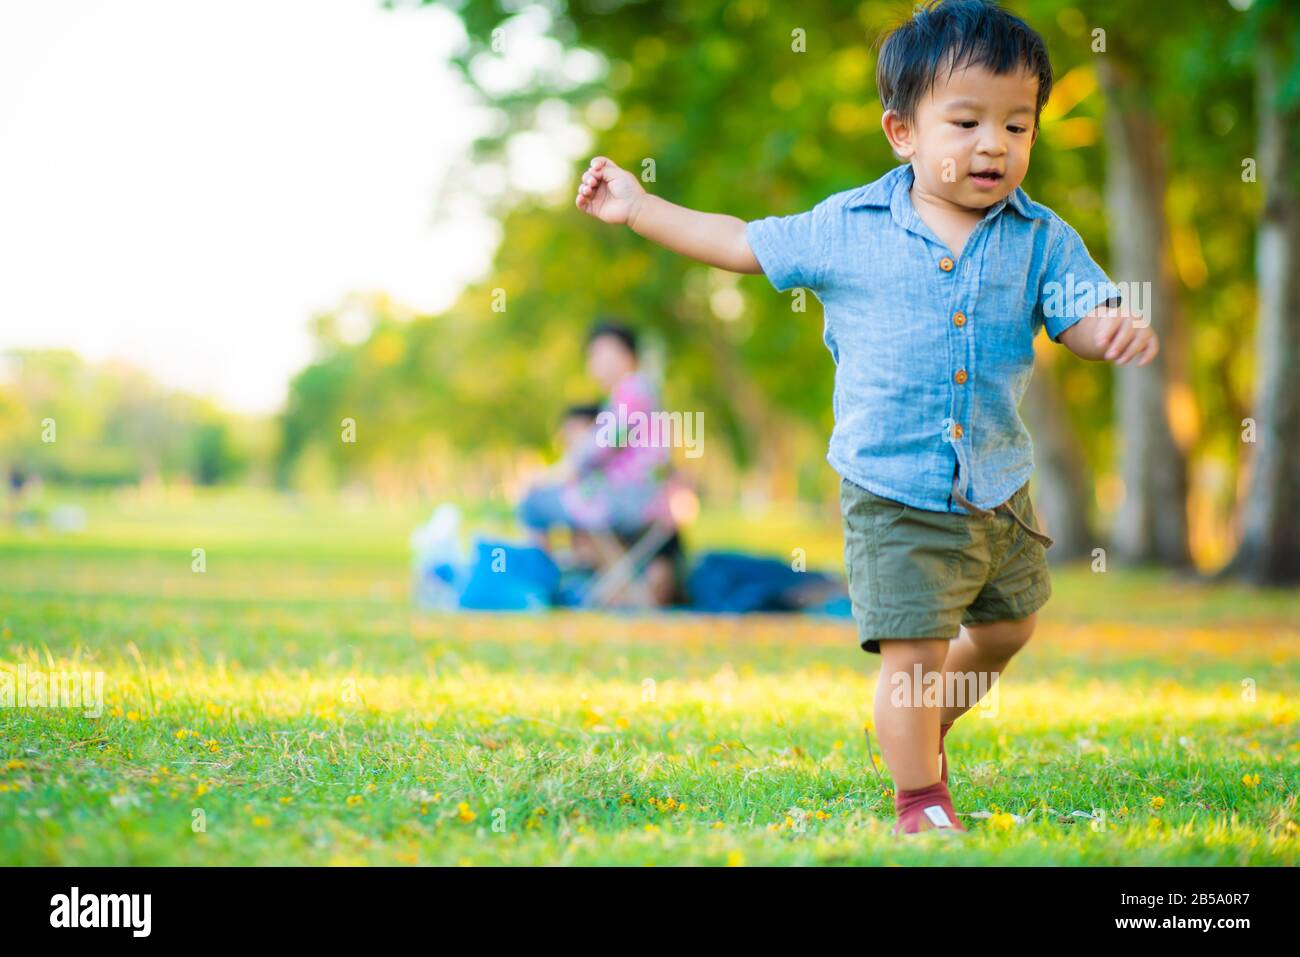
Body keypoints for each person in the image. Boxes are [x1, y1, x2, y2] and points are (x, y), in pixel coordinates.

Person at [574, 0, 1158, 834]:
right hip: (893, 488)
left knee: (1008, 628)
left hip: (997, 486)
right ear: (902, 131)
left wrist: (1114, 327)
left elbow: (1082, 310)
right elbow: (742, 242)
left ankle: (917, 730)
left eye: (1017, 124)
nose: (993, 144)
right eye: (965, 121)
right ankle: (920, 799)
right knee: (913, 660)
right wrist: (639, 209)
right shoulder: (848, 228)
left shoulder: (1042, 236)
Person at [517, 322, 681, 606]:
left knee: (533, 503)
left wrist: (555, 473)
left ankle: (539, 589)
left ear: (630, 357)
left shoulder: (634, 389)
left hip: (627, 502)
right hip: (633, 499)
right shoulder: (633, 392)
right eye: (595, 356)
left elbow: (602, 444)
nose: (600, 364)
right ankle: (578, 586)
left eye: (608, 354)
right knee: (551, 503)